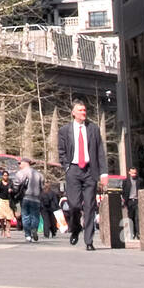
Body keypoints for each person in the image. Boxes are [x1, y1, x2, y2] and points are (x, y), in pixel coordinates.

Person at [57, 101, 108, 250]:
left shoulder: (93, 129)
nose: (83, 112)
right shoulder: (65, 130)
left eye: (85, 110)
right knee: (74, 205)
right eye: (80, 110)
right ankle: (76, 227)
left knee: (90, 206)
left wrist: (103, 172)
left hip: (89, 171)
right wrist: (66, 167)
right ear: (73, 113)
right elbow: (61, 151)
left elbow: (100, 152)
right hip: (73, 170)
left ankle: (89, 241)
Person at [13, 157, 45, 243]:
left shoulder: (21, 173)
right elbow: (42, 187)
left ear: (25, 163)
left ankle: (28, 235)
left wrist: (14, 192)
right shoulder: (39, 174)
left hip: (25, 197)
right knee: (35, 216)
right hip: (36, 198)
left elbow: (16, 185)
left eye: (20, 163)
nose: (19, 165)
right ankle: (34, 228)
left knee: (25, 216)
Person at [122, 166, 144, 240]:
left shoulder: (140, 181)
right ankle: (133, 233)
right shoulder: (125, 181)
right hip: (130, 201)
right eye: (132, 173)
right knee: (131, 217)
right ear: (129, 173)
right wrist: (125, 201)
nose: (134, 174)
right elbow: (123, 191)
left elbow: (142, 190)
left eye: (135, 173)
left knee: (137, 217)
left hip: (137, 200)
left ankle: (138, 233)